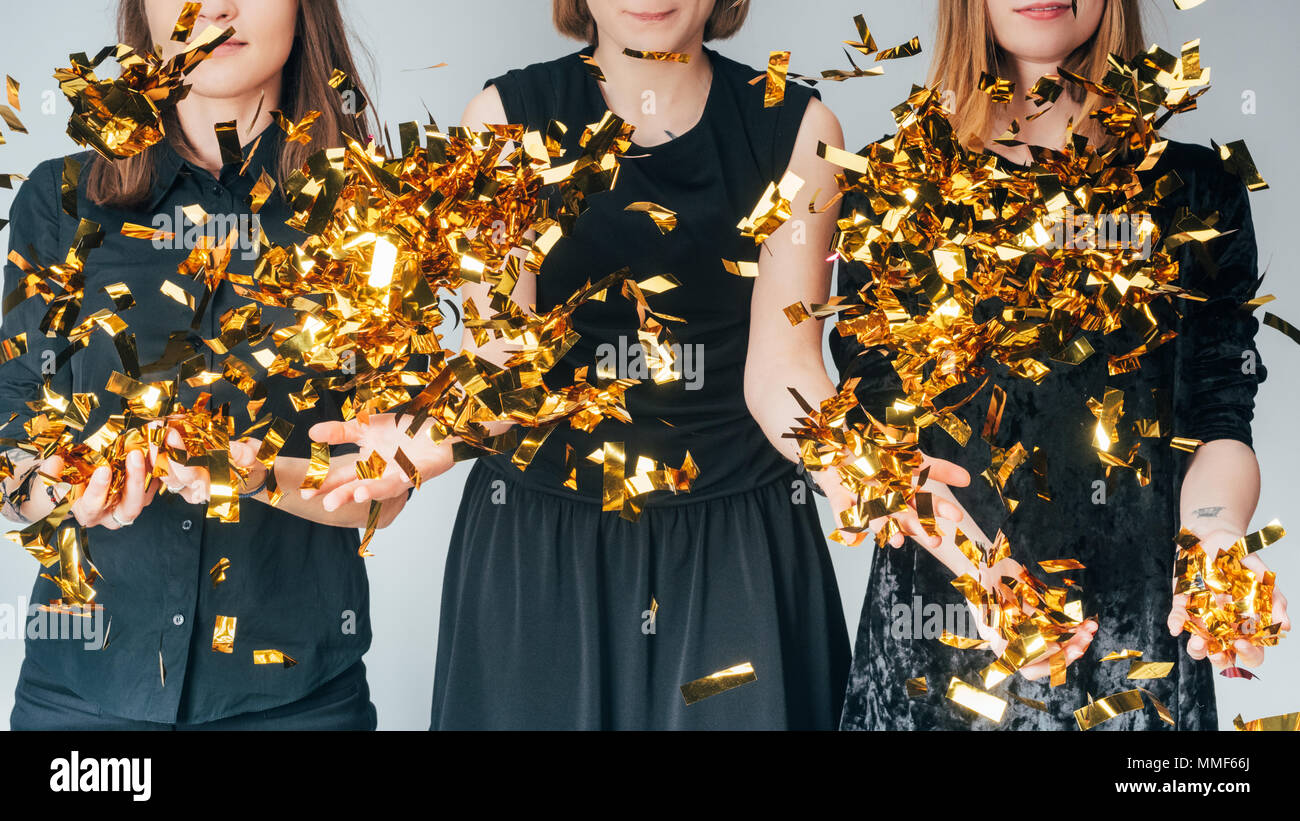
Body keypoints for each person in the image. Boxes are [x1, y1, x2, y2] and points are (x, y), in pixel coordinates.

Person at [303, 0, 943, 730]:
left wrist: (870, 476)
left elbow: (783, 373)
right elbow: (505, 357)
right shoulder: (503, 120)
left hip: (739, 553)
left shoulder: (799, 130)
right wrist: (424, 440)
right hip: (539, 552)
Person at [831, 0, 1290, 731]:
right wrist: (984, 577)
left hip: (1134, 663)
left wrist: (1216, 539)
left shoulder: (1198, 193)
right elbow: (876, 433)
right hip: (940, 662)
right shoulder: (891, 192)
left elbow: (1220, 418)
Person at [0, 0, 403, 730]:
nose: (213, 6)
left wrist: (257, 477)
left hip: (298, 705)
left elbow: (385, 487)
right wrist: (59, 488)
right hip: (82, 703)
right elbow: (8, 439)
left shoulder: (370, 213)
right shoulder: (60, 203)